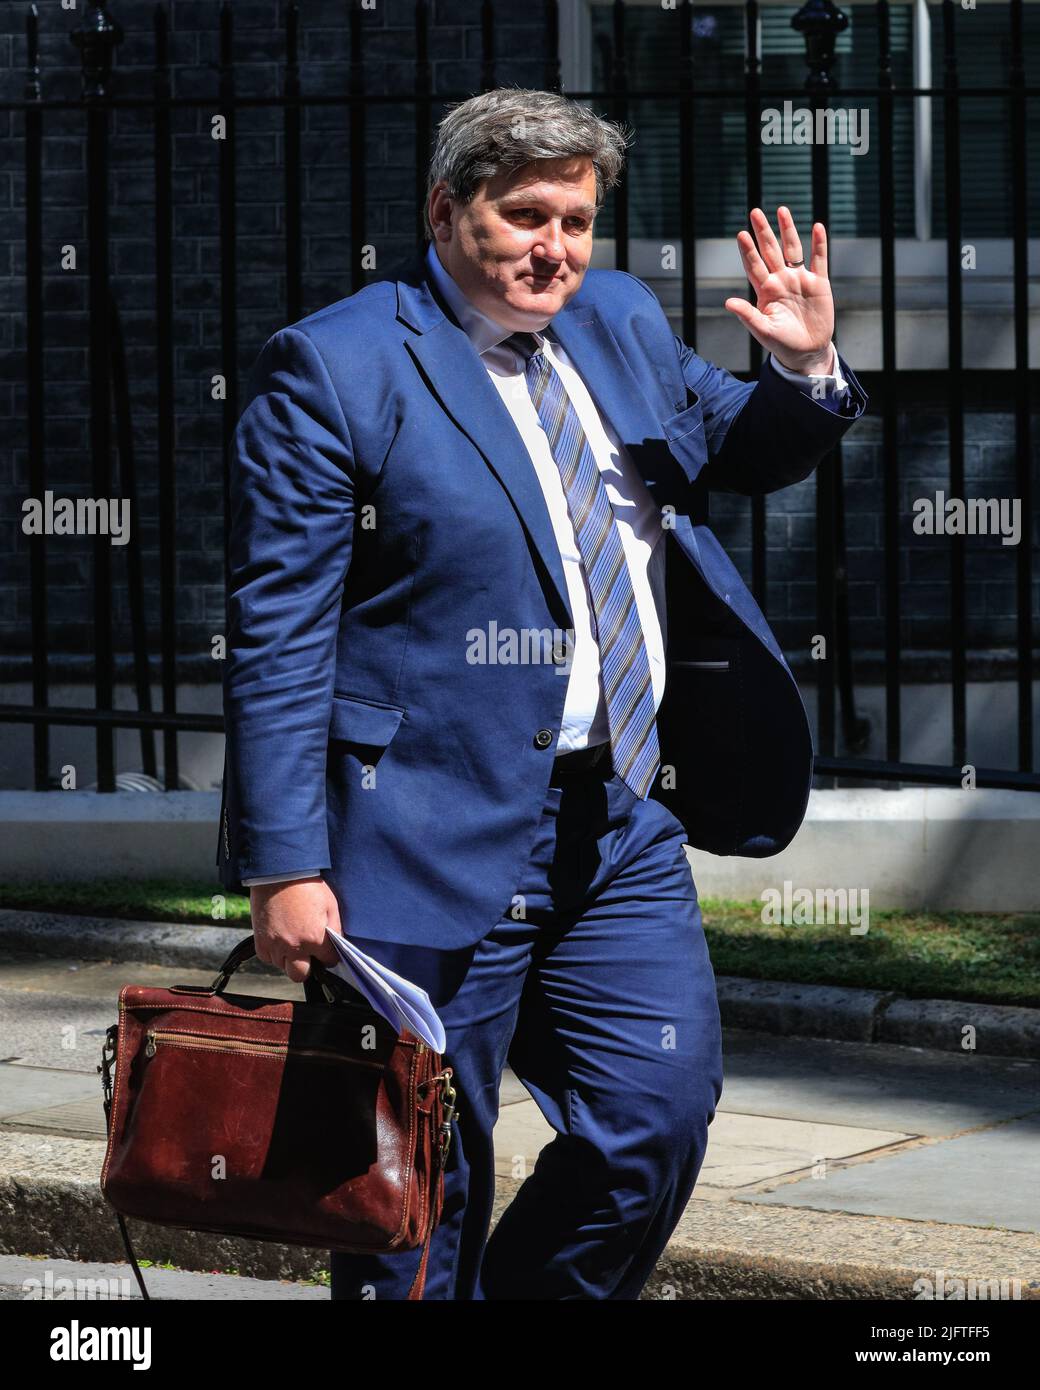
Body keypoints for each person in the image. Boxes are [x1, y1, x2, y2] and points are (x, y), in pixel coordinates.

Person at [216, 86, 868, 1300]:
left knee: (651, 1125)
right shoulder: (340, 365)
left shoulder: (612, 318)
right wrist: (282, 862)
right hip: (418, 825)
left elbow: (739, 448)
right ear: (444, 209)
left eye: (573, 220)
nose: (551, 247)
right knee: (415, 1182)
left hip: (615, 824)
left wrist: (800, 364)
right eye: (523, 216)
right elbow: (277, 634)